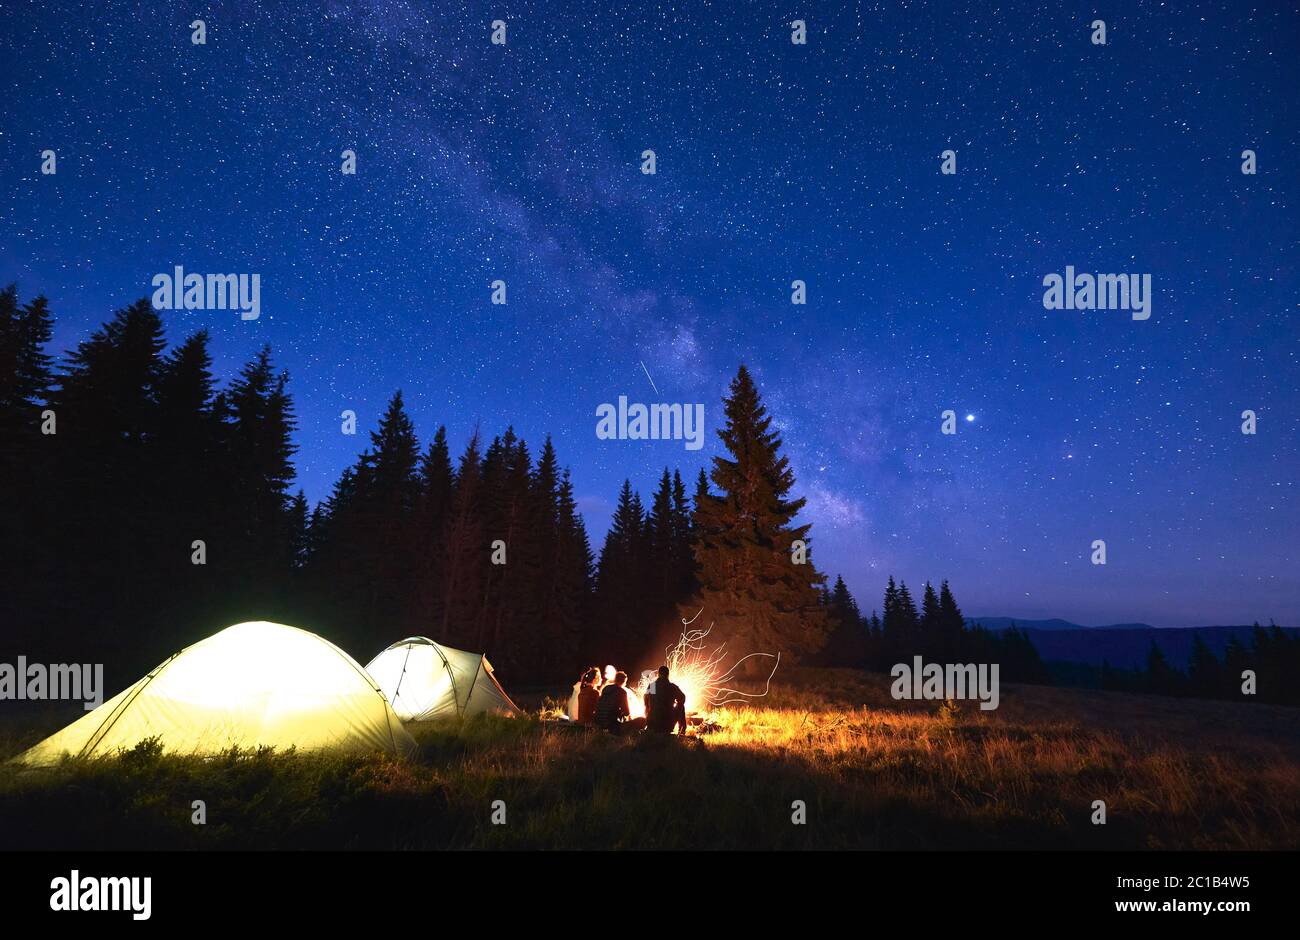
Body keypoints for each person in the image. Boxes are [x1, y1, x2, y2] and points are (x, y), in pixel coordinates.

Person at [644, 665, 687, 735]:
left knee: (647, 706)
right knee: (681, 706)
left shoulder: (652, 686)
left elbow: (646, 700)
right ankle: (681, 732)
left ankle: (650, 725)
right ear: (668, 675)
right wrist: (675, 704)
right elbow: (682, 698)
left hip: (652, 724)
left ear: (658, 674)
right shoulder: (672, 687)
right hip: (667, 724)